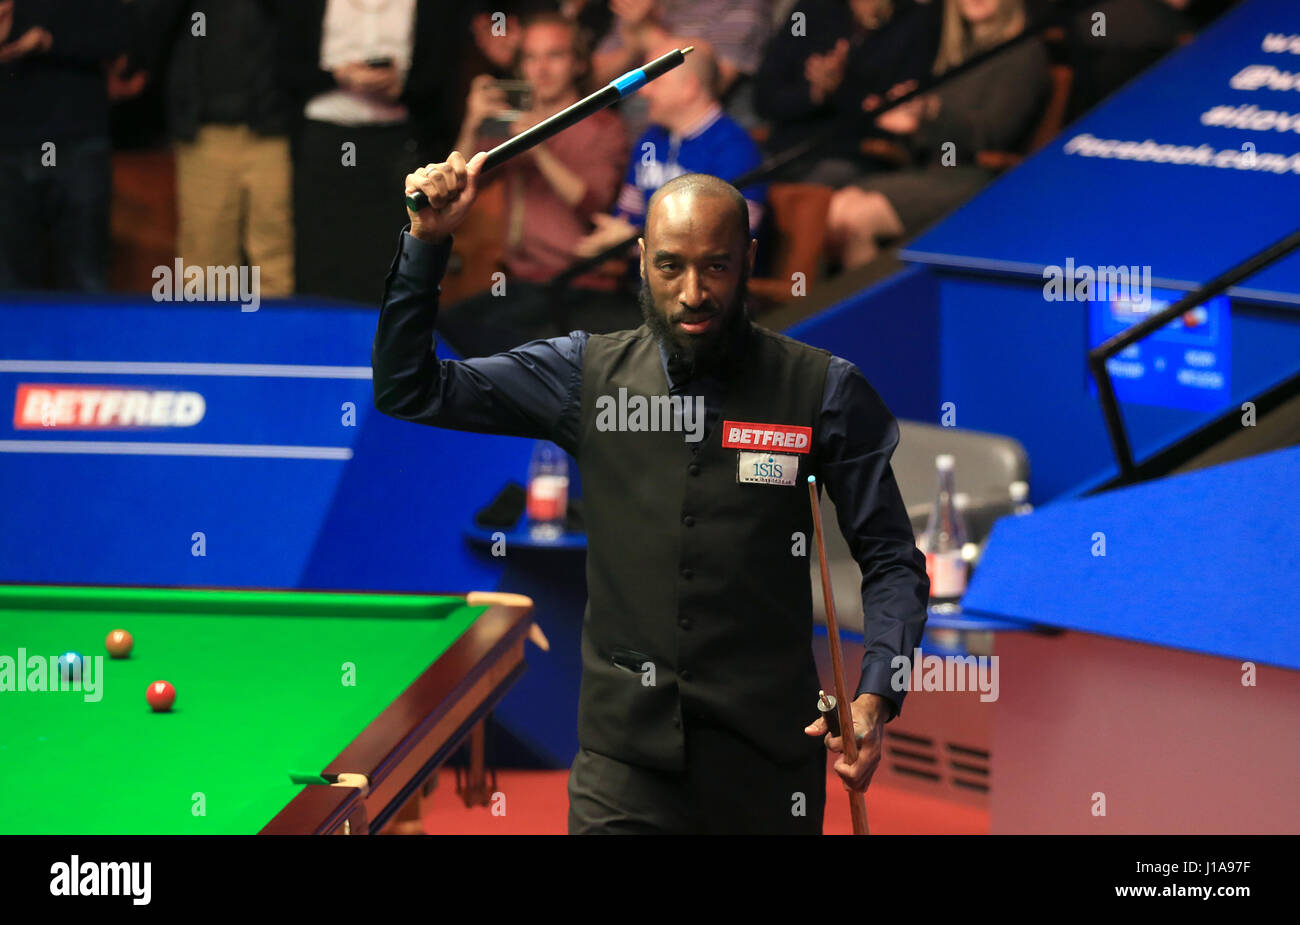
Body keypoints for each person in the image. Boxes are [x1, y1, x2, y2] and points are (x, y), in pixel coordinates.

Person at [372, 151, 930, 834]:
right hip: (623, 769)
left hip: (768, 767)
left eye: (715, 266)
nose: (693, 291)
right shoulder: (584, 375)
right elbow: (408, 387)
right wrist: (427, 243)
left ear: (748, 258)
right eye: (671, 265)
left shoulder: (824, 390)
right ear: (641, 259)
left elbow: (894, 561)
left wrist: (877, 692)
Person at [436, 11, 629, 359]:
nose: (541, 69)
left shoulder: (602, 125)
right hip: (520, 283)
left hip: (579, 285)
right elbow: (458, 184)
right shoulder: (509, 123)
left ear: (579, 64)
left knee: (494, 345)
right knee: (441, 326)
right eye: (530, 57)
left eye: (554, 56)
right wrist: (472, 119)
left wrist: (535, 143)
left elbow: (594, 203)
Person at [825, 0, 1049, 269]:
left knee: (854, 219)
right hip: (933, 172)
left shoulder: (1023, 52)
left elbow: (991, 134)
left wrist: (932, 112)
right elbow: (938, 133)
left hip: (978, 181)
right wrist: (912, 121)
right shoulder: (960, 54)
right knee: (835, 207)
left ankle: (879, 307)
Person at [279, 0, 462, 305]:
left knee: (390, 257)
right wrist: (340, 75)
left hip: (398, 144)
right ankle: (318, 348)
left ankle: (385, 348)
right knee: (319, 255)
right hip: (324, 140)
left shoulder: (435, 9)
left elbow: (441, 76)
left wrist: (400, 85)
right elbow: (284, 65)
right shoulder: (305, 9)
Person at [130, 0, 294, 295]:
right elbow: (146, 27)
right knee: (205, 266)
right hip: (204, 130)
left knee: (274, 257)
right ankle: (207, 340)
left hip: (272, 129)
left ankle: (275, 340)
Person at [573, 39, 766, 264]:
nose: (643, 92)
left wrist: (632, 240)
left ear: (689, 88)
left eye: (655, 81)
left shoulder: (736, 150)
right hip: (639, 287)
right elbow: (627, 218)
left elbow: (728, 244)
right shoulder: (651, 140)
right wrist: (616, 237)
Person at [0, 0, 124, 292]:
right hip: (6, 144)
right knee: (7, 289)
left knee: (87, 280)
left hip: (78, 138)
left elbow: (120, 36)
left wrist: (50, 40)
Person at [752, 0, 942, 185]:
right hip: (786, 148)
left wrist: (839, 90)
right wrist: (814, 93)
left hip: (856, 155)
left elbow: (897, 116)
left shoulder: (917, 20)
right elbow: (765, 98)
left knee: (821, 184)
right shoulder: (809, 10)